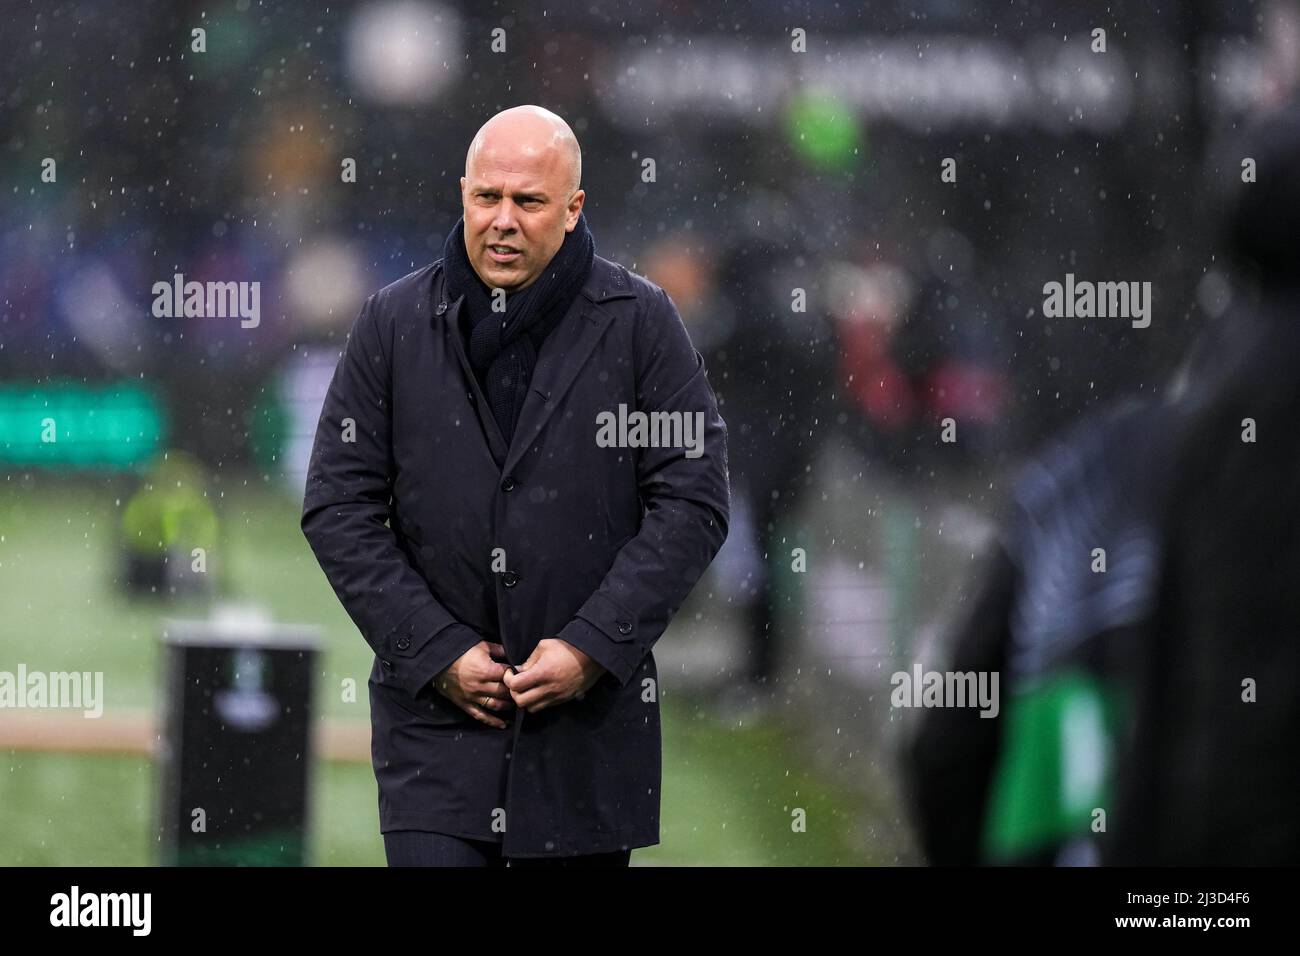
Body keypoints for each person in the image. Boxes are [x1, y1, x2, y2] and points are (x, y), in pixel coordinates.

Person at [300, 105, 730, 866]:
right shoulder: (391, 324)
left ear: (572, 210)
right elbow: (339, 506)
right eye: (485, 197)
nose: (502, 221)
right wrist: (435, 652)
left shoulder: (643, 324)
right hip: (433, 733)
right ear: (461, 193)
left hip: (586, 738)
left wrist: (592, 648)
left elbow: (692, 501)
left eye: (528, 202)